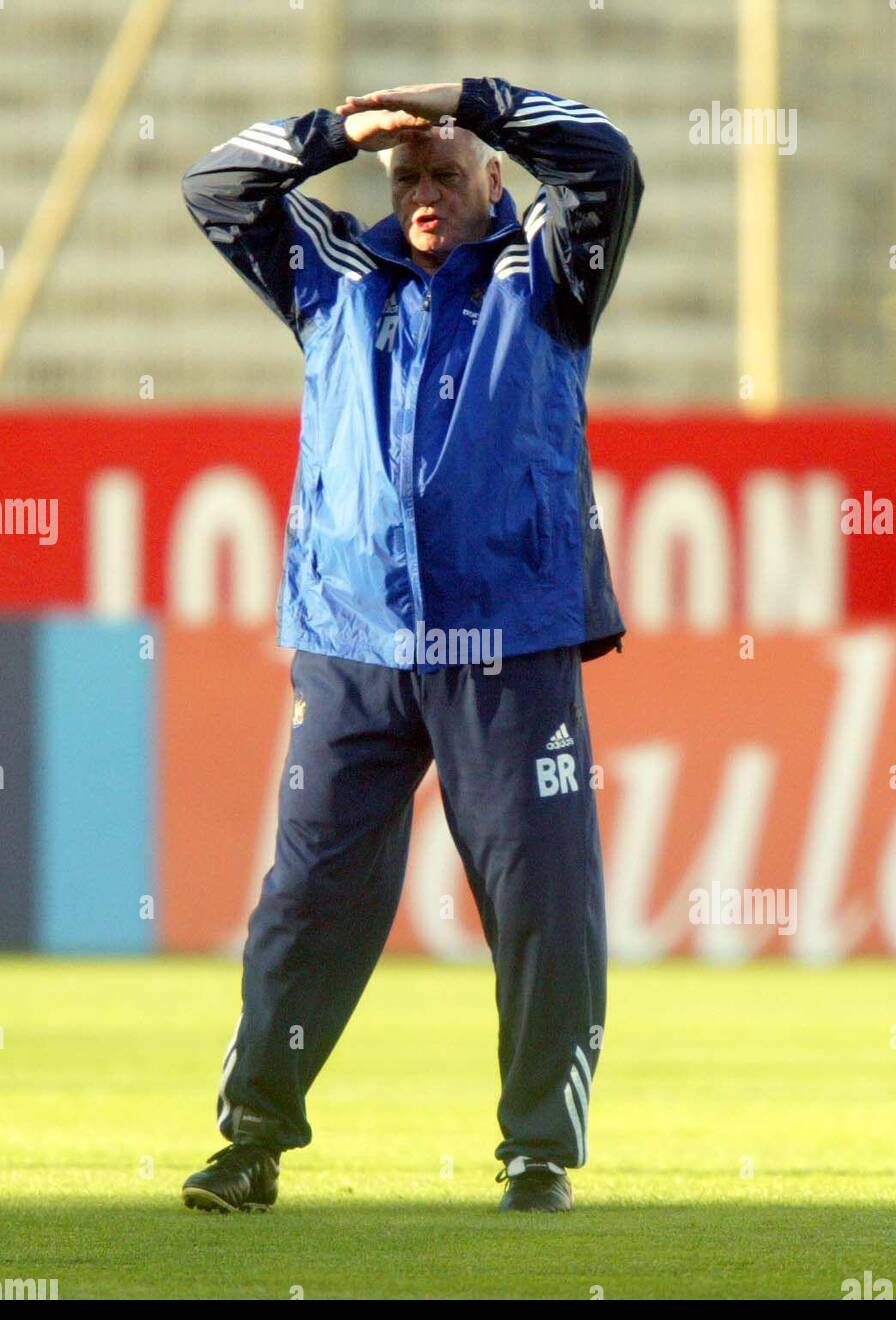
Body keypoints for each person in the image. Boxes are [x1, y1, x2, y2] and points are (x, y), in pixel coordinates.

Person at [180, 78, 643, 1214]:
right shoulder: (332, 274)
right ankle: (251, 1144)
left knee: (538, 898)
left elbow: (606, 162)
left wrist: (474, 102)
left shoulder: (547, 269)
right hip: (352, 638)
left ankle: (536, 1150)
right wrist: (339, 131)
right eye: (407, 179)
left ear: (493, 178)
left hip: (510, 633)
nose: (425, 194)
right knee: (308, 900)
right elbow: (215, 185)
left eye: (446, 173)